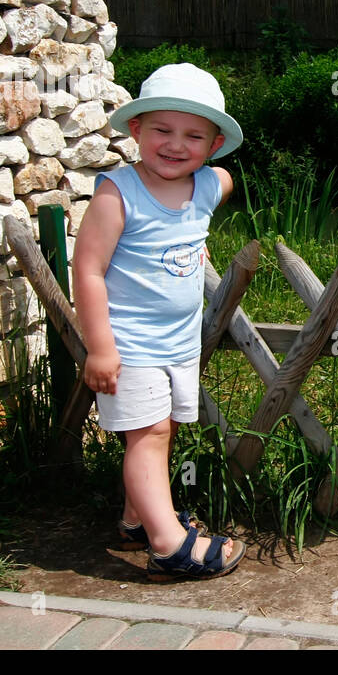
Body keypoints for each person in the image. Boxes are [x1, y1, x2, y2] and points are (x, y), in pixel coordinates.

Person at [72, 63, 246, 580]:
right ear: (136, 132)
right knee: (147, 436)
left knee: (160, 432)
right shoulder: (117, 193)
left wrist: (207, 195)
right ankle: (170, 546)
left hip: (178, 343)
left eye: (194, 136)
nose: (175, 145)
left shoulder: (208, 186)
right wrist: (101, 348)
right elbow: (88, 269)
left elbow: (224, 180)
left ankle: (135, 519)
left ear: (214, 144)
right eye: (161, 131)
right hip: (131, 344)